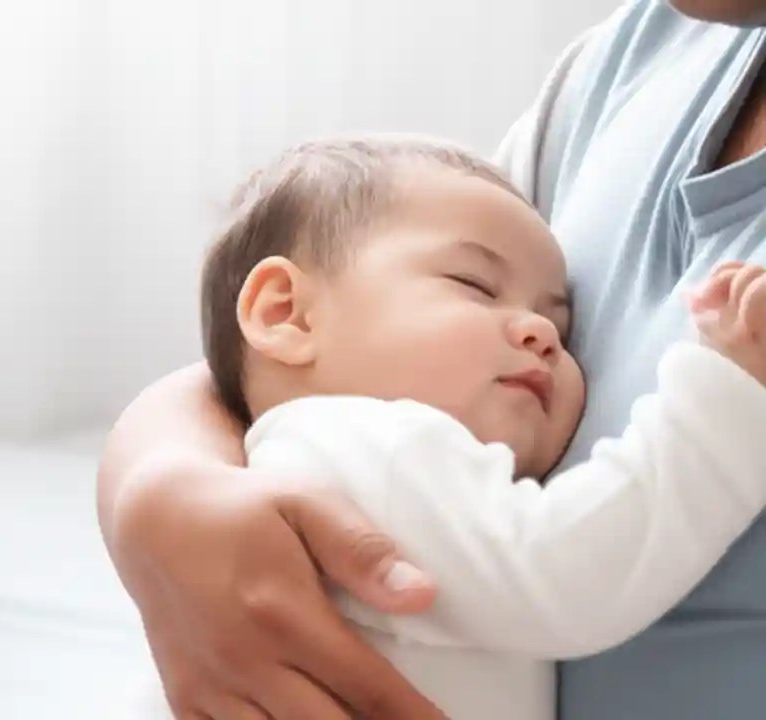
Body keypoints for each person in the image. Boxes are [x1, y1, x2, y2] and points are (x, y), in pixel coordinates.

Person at [97, 2, 766, 717]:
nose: (540, 333)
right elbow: (565, 573)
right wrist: (158, 483)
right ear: (282, 313)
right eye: (476, 287)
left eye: (561, 325)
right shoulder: (377, 451)